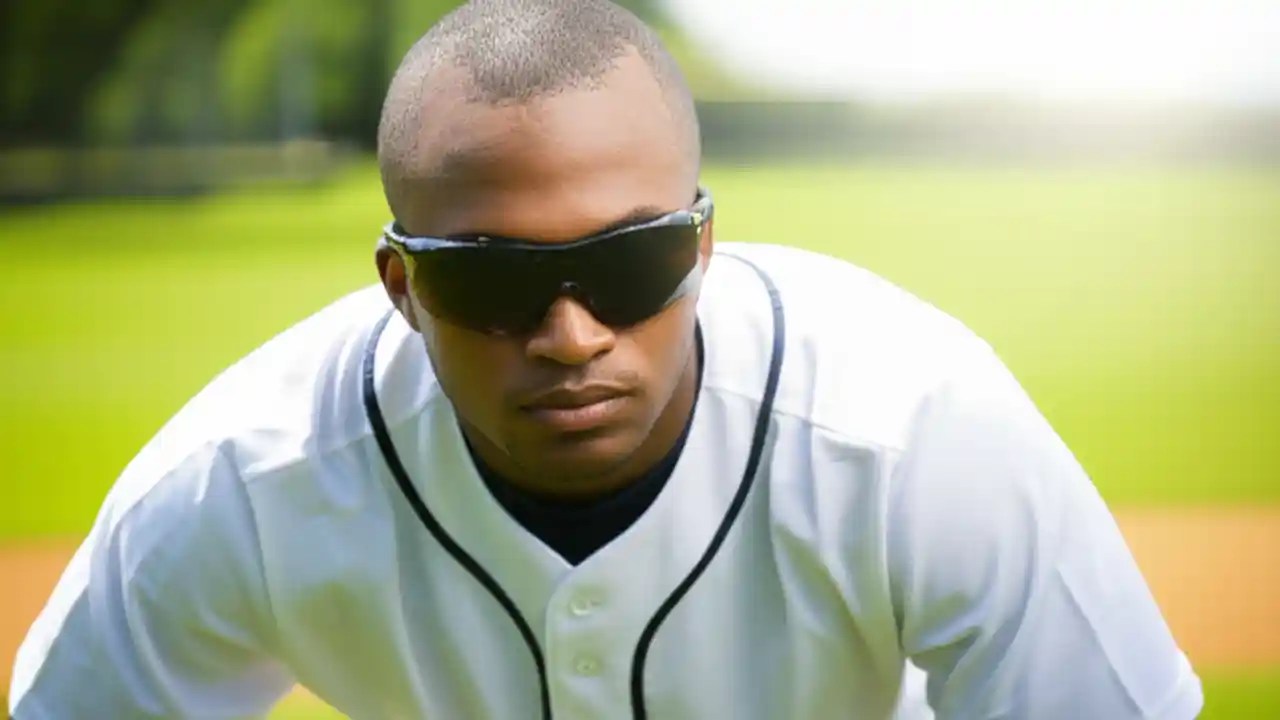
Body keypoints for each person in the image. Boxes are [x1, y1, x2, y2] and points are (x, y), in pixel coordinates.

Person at [10, 1, 1203, 718]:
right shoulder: (240, 481)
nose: (569, 336)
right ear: (402, 289)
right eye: (490, 281)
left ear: (700, 245)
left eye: (627, 267)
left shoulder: (913, 430)